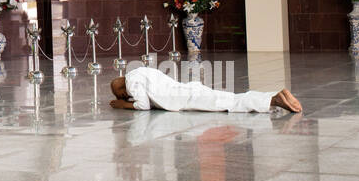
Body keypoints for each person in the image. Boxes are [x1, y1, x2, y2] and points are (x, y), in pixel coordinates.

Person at [110, 67, 302, 113]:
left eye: (123, 95)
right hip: (188, 91)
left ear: (121, 87)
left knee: (228, 103)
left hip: (186, 99)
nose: (127, 96)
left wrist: (121, 105)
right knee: (230, 98)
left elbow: (143, 105)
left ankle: (274, 100)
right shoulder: (140, 70)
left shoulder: (131, 82)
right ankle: (272, 96)